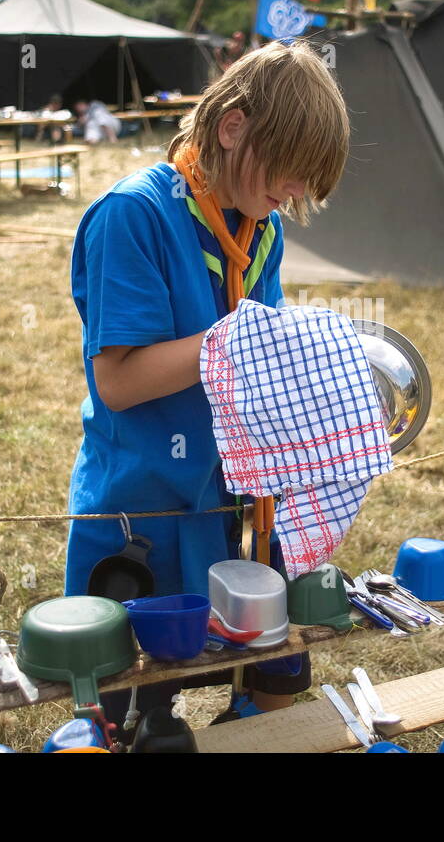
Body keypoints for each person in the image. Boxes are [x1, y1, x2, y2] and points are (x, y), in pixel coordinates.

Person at [66, 41, 349, 732]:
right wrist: (235, 341)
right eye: (291, 172)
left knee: (279, 665)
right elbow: (120, 383)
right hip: (145, 517)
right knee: (133, 698)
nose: (296, 195)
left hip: (232, 507)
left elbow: (258, 357)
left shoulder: (261, 230)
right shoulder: (134, 216)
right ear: (232, 128)